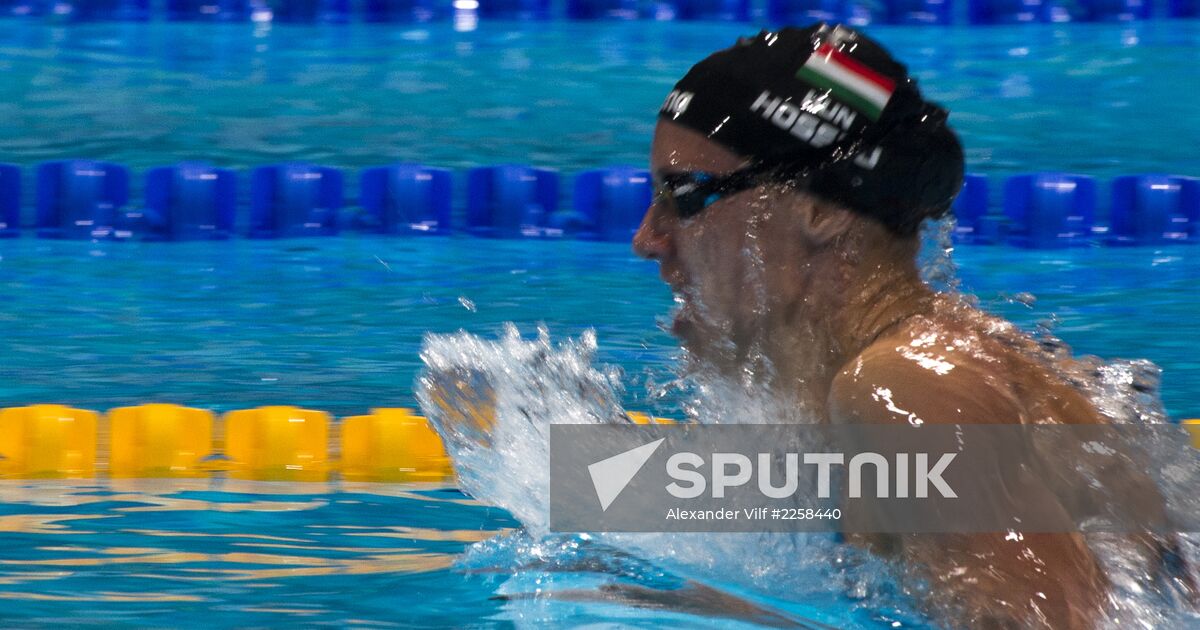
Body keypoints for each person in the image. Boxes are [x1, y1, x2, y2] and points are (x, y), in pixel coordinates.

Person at [633, 23, 1192, 628]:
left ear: (817, 210)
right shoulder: (898, 372)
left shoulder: (902, 388)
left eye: (684, 196)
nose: (648, 238)